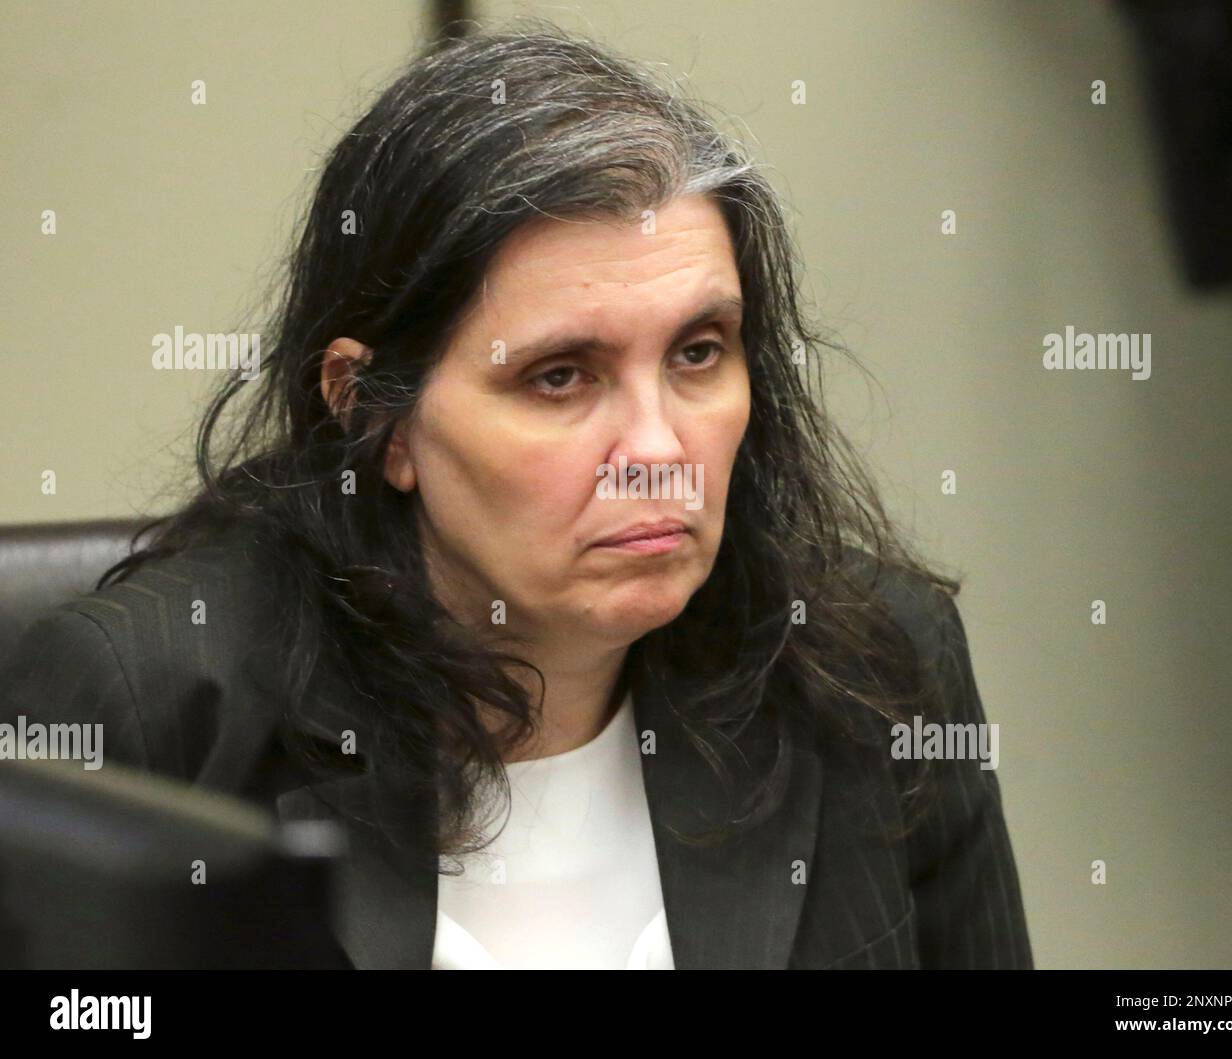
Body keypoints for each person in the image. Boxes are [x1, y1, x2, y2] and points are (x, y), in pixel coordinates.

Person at [0, 21, 1032, 970]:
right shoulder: (147, 715)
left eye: (699, 352)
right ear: (374, 415)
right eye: (559, 377)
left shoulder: (878, 669)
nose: (658, 451)